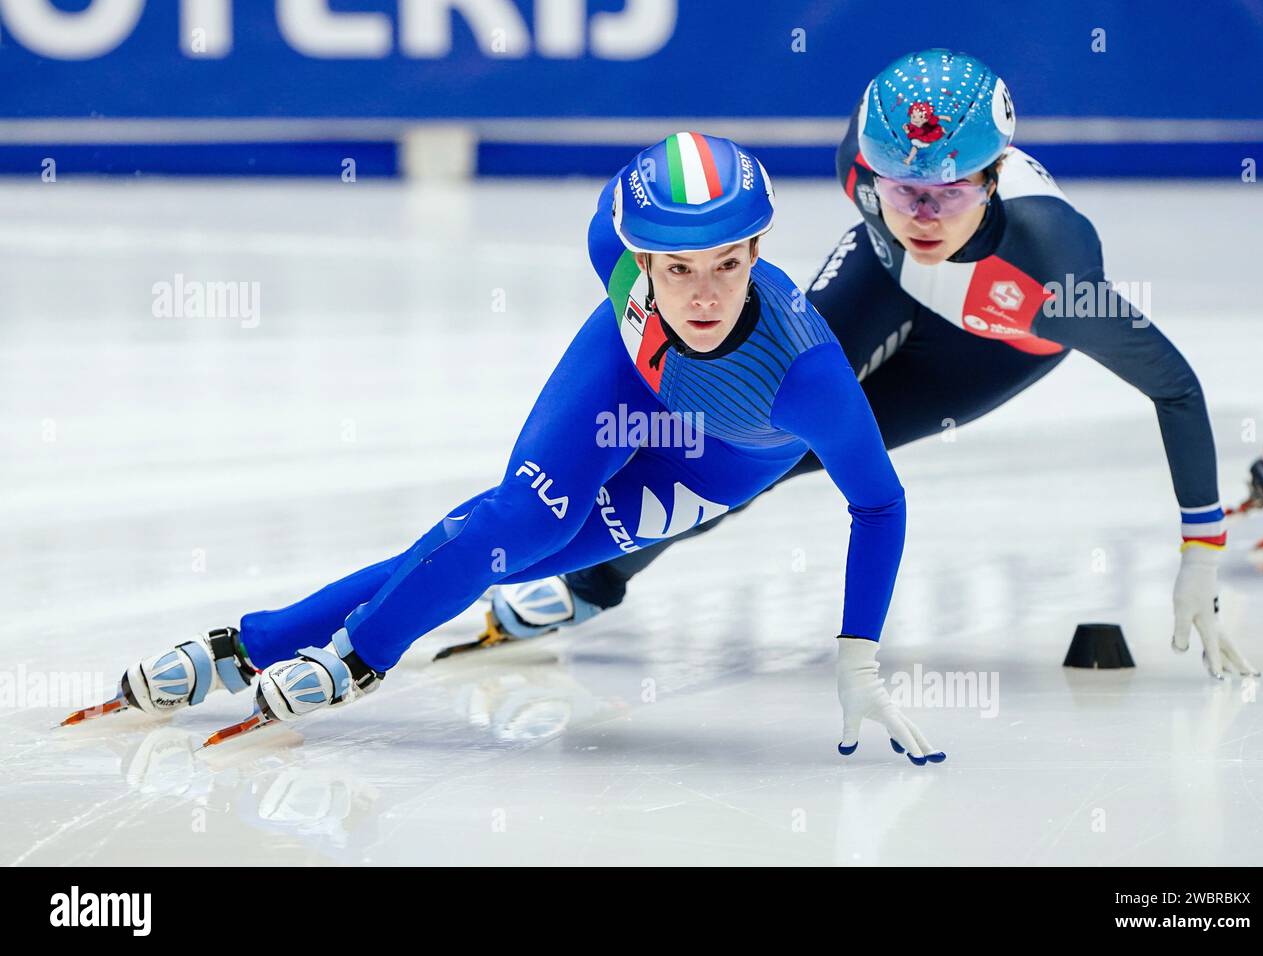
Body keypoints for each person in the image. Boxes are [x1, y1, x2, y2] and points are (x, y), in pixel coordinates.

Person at [66, 133, 944, 763]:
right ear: (636, 261)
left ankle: (249, 647)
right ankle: (346, 657)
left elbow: (879, 502)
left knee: (518, 559)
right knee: (511, 527)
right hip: (622, 382)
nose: (704, 293)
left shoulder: (807, 378)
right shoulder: (617, 254)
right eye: (675, 268)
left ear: (757, 248)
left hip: (723, 457)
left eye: (726, 263)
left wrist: (857, 653)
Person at [488, 49, 1259, 681]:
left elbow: (1176, 387)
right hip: (884, 282)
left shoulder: (1056, 278)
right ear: (870, 171)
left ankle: (585, 584)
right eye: (904, 190)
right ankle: (563, 546)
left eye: (951, 193)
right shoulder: (861, 161)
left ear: (993, 178)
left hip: (988, 343)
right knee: (745, 415)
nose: (923, 216)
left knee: (780, 456)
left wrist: (1201, 546)